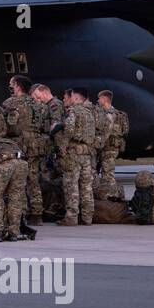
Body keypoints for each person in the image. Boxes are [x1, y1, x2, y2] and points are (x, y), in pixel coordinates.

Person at [1, 76, 43, 224]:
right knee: (33, 179)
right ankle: (37, 213)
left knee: (18, 180)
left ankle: (21, 213)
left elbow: (3, 123)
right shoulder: (37, 104)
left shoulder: (11, 103)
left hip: (19, 144)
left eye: (12, 84)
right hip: (35, 145)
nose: (10, 87)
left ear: (18, 86)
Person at [61, 88, 97, 226]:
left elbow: (69, 130)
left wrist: (63, 145)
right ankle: (87, 217)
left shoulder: (73, 112)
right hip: (87, 153)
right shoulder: (89, 113)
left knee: (72, 184)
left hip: (74, 152)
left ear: (75, 98)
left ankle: (71, 217)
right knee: (86, 186)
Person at [97, 90, 129, 190]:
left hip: (109, 148)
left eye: (99, 98)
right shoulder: (118, 115)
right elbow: (126, 131)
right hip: (108, 147)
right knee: (106, 172)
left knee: (108, 174)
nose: (98, 100)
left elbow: (125, 131)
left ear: (105, 99)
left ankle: (111, 194)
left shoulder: (114, 115)